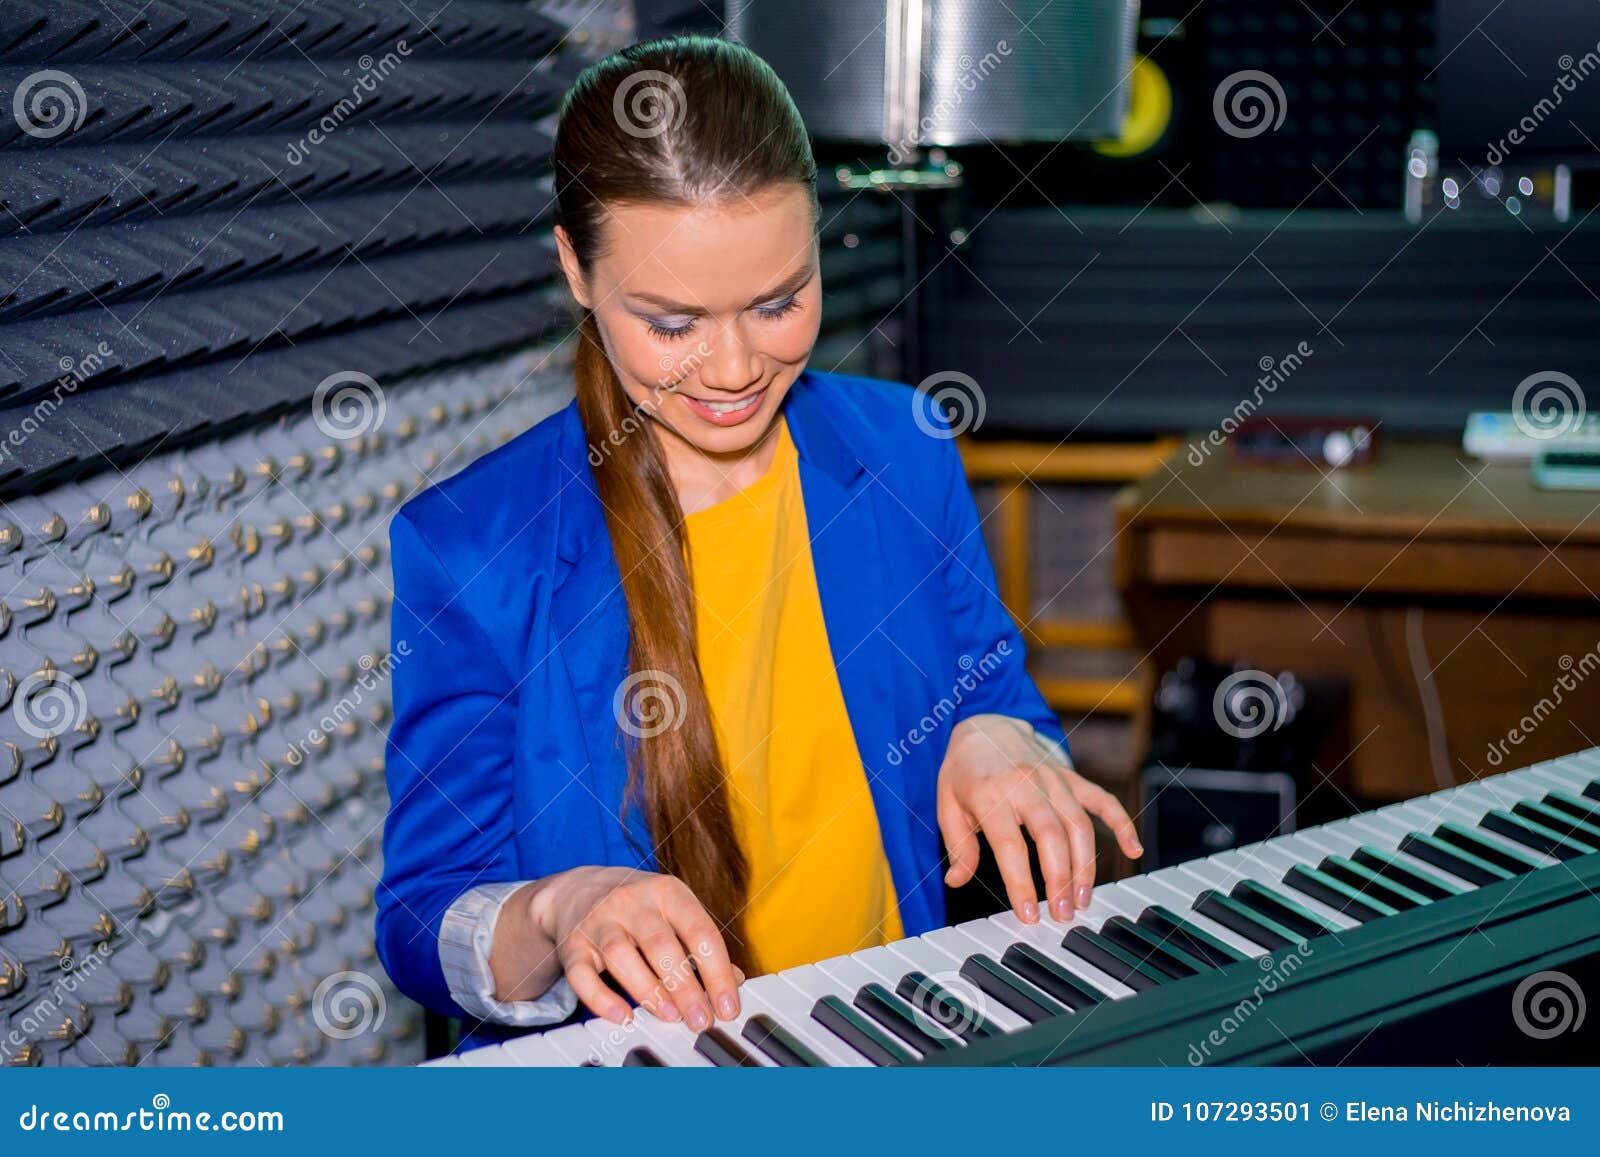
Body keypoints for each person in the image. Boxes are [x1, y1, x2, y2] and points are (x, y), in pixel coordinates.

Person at [375, 33, 1141, 1054]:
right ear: (574, 268)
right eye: (672, 321)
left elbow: (996, 696)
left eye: (779, 302)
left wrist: (997, 739)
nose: (735, 367)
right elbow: (422, 915)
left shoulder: (904, 448)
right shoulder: (472, 545)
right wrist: (560, 909)